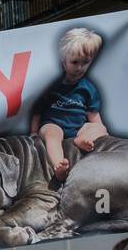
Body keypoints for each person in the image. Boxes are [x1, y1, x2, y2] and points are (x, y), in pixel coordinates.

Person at [29, 27, 107, 182]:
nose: (79, 68)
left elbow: (93, 115)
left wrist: (98, 130)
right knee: (52, 135)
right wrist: (33, 131)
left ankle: (81, 140)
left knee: (101, 128)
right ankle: (59, 167)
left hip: (78, 129)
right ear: (64, 62)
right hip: (53, 124)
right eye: (75, 62)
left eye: (85, 62)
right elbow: (37, 111)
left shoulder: (88, 88)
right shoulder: (52, 85)